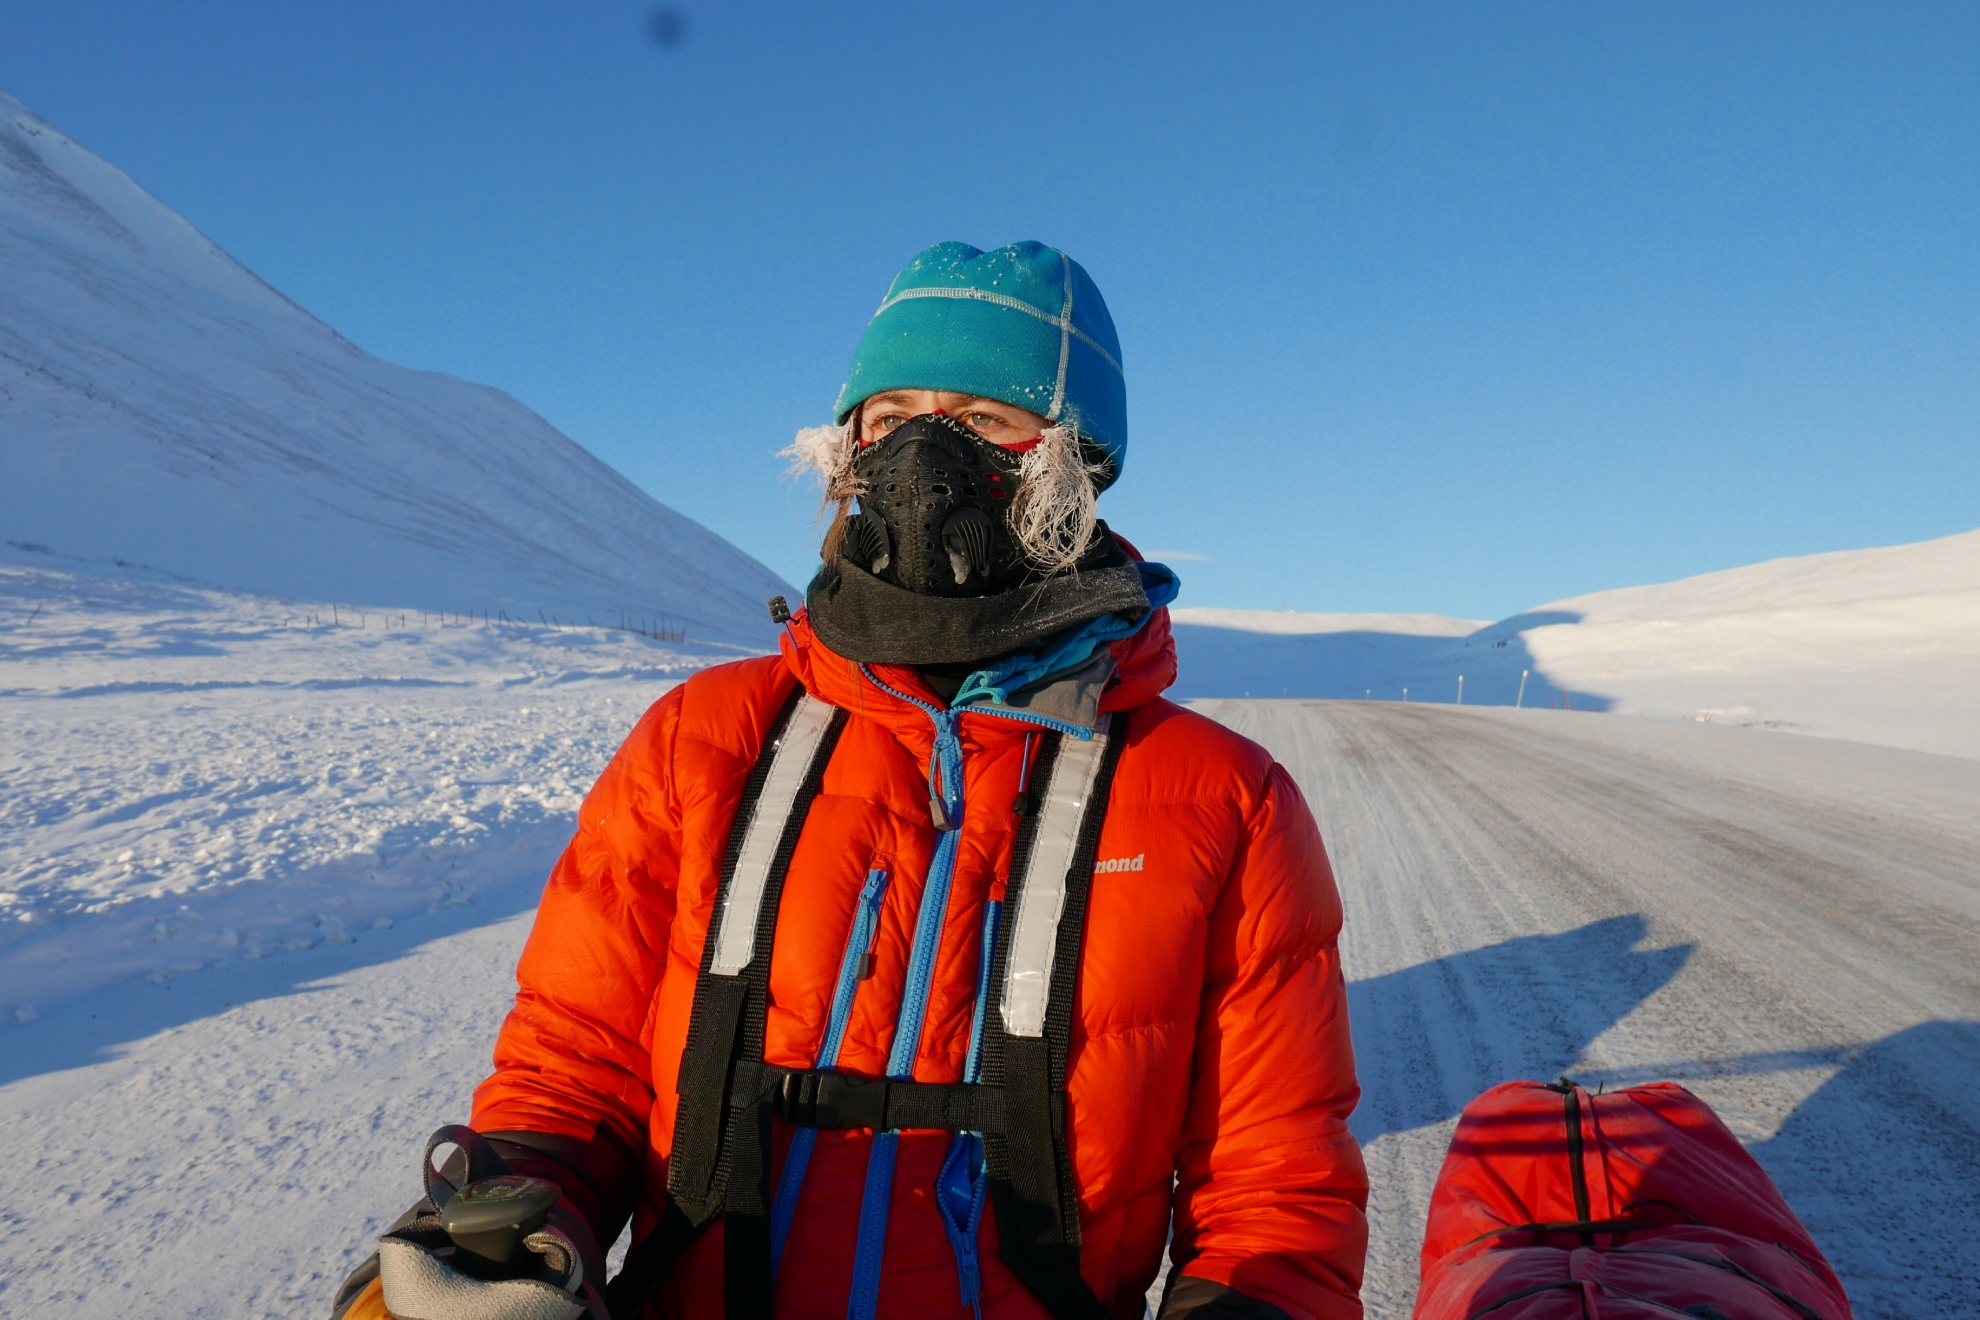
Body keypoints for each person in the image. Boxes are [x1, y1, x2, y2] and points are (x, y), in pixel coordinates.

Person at [331, 241, 1368, 1320]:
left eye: (987, 419)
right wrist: (507, 1238)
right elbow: (573, 1064)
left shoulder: (1221, 799)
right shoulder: (707, 737)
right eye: (892, 415)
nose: (926, 453)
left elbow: (1275, 1187)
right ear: (846, 446)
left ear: (1077, 460)